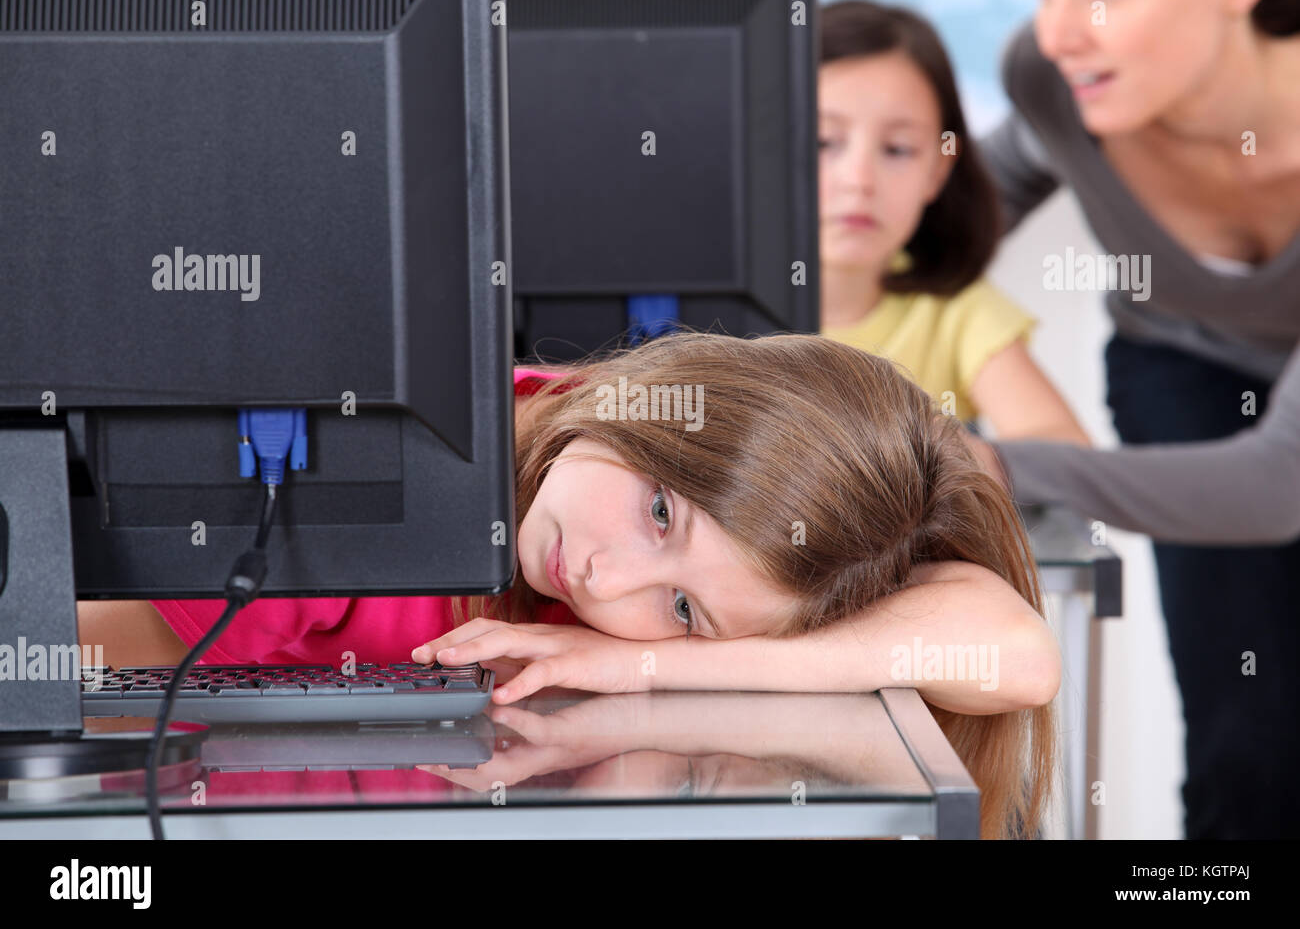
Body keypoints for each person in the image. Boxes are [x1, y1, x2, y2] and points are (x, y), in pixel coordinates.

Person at [81, 331, 1059, 839]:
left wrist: (644, 667)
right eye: (661, 512)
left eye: (682, 607)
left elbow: (1014, 651)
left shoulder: (621, 623)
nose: (605, 574)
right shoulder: (398, 453)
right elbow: (83, 648)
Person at [973, 0, 1300, 838]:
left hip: (1279, 460)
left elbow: (1280, 484)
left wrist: (999, 464)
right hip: (1180, 368)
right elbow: (955, 219)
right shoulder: (1056, 83)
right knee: (1247, 734)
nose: (1057, 32)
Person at [818, 0, 1090, 443]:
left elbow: (1065, 451)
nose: (859, 181)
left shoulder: (955, 308)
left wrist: (930, 464)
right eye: (822, 142)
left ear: (937, 171)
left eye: (898, 149)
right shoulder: (709, 316)